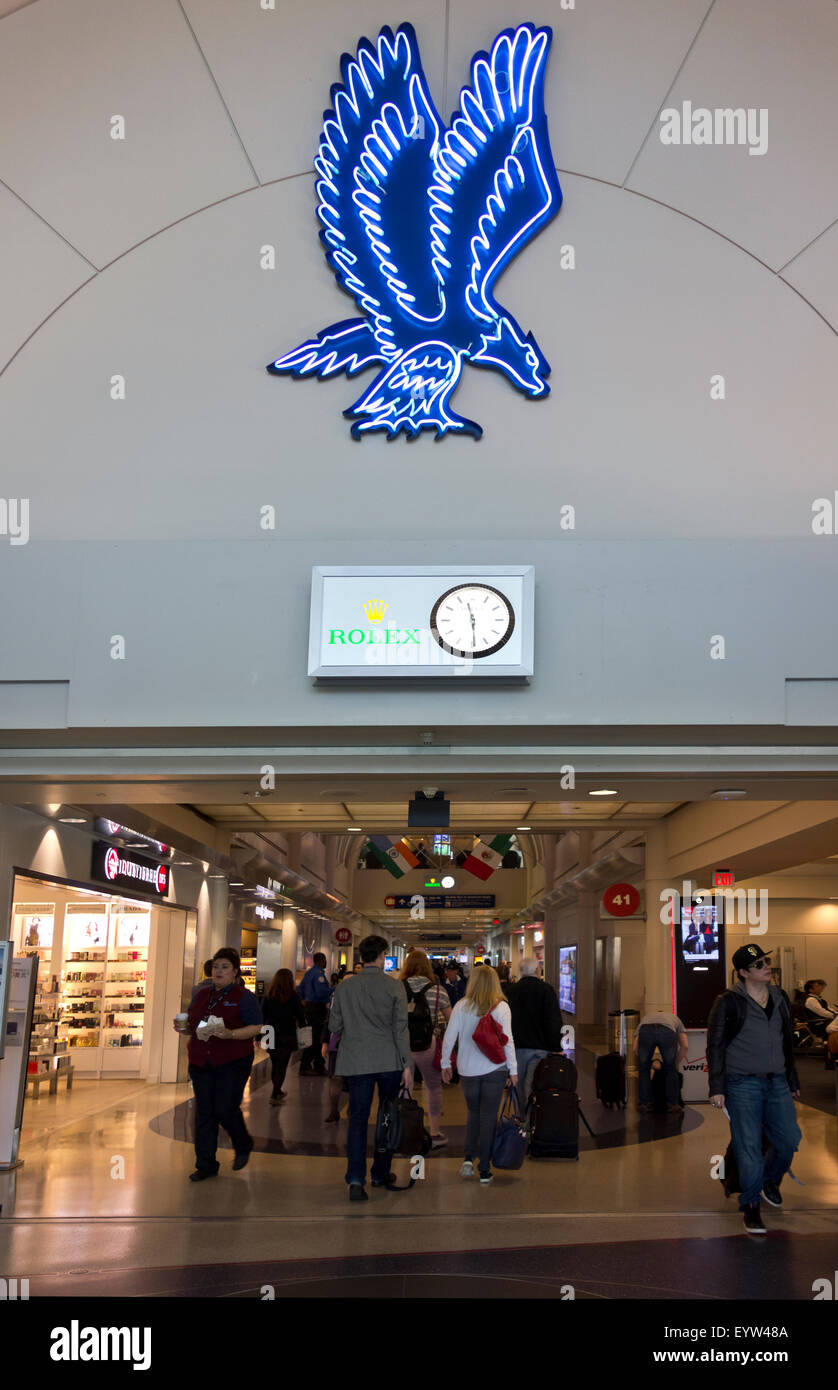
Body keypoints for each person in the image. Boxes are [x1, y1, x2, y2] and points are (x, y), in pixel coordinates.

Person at [707, 944, 802, 1235]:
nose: (766, 966)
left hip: (777, 1082)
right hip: (741, 1083)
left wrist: (792, 1079)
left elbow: (786, 1041)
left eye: (767, 961)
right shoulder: (729, 1002)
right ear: (744, 972)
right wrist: (717, 1087)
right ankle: (750, 1206)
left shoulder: (780, 997)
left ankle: (770, 1180)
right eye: (759, 963)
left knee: (788, 1139)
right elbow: (716, 1046)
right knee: (748, 1146)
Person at [327, 934, 412, 1201]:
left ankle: (355, 1179)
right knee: (387, 1117)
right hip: (388, 1061)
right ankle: (380, 1173)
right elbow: (401, 1030)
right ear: (382, 955)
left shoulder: (344, 987)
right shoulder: (394, 987)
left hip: (356, 1061)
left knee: (357, 1119)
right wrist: (407, 1065)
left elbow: (334, 1027)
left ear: (361, 956)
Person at [180, 947, 263, 1182]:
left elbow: (257, 1027)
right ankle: (205, 1164)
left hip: (233, 1060)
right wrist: (184, 1028)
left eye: (225, 967)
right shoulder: (202, 995)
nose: (219, 971)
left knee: (224, 1108)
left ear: (235, 971)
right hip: (201, 1060)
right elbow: (193, 1024)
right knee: (204, 1112)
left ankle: (243, 1143)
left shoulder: (243, 997)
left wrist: (231, 1034)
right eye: (216, 966)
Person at [441, 964, 517, 1185]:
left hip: (467, 1070)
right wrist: (513, 1070)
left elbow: (449, 1037)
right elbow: (508, 1041)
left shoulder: (461, 1006)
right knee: (488, 1117)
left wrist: (446, 1063)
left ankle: (467, 1159)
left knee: (473, 1113)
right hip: (495, 1068)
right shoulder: (502, 1008)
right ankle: (484, 1169)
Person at [398, 948, 452, 1148]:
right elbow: (451, 1020)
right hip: (428, 1044)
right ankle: (435, 1131)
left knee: (405, 1086)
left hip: (402, 1046)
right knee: (434, 1086)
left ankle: (403, 1131)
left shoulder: (397, 987)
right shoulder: (438, 990)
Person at [507, 957, 564, 1107]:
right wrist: (557, 1047)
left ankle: (521, 1120)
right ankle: (532, 1122)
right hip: (540, 1048)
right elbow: (553, 1020)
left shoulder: (511, 991)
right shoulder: (546, 990)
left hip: (516, 1048)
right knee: (533, 1087)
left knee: (517, 1087)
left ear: (520, 972)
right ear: (537, 970)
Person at [261, 968, 306, 1105]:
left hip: (270, 1033)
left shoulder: (269, 995)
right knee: (282, 1064)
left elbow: (262, 1016)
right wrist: (304, 1027)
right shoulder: (293, 996)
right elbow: (300, 1015)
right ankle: (275, 1093)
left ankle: (277, 1090)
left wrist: (258, 1036)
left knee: (275, 1063)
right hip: (287, 1033)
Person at [634, 1005, 689, 1113]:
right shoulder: (674, 1018)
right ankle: (673, 1104)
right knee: (670, 1070)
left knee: (643, 1071)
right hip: (667, 1031)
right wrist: (675, 1063)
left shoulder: (645, 1019)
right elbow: (685, 1046)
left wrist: (647, 1063)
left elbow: (635, 1049)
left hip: (646, 1030)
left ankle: (645, 1103)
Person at [298, 951, 332, 1075]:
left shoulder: (309, 973)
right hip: (318, 1009)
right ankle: (313, 1066)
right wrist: (335, 988)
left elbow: (300, 989)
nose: (326, 963)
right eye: (325, 960)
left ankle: (311, 1065)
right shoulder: (319, 975)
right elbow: (322, 993)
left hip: (310, 1008)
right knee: (318, 1038)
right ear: (321, 960)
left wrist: (305, 1001)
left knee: (311, 1037)